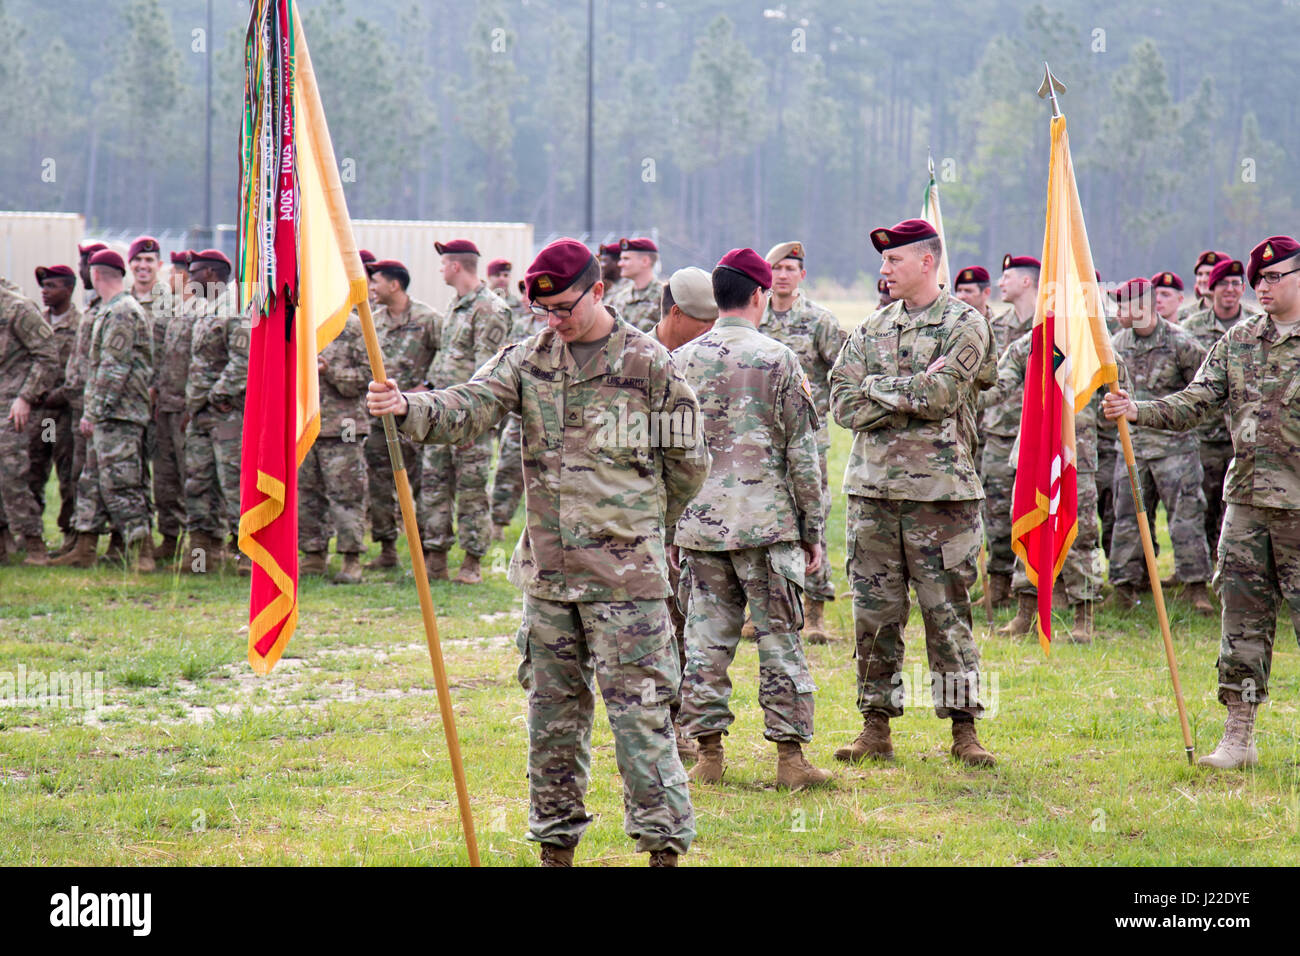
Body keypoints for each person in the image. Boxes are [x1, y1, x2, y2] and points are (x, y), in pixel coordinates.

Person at [366, 238, 708, 866]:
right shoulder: (528, 359)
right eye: (544, 311)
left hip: (626, 589)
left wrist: (639, 533)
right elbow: (469, 407)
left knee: (641, 723)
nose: (555, 321)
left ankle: (662, 850)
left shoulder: (649, 364)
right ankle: (555, 850)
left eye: (566, 308)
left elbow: (688, 464)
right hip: (550, 581)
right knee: (552, 723)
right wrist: (409, 405)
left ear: (598, 291)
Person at [1103, 235, 1300, 770]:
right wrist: (1138, 410)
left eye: (1274, 277)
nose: (1263, 286)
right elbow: (1199, 399)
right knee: (1241, 621)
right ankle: (1239, 736)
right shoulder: (1240, 340)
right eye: (1259, 279)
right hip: (1247, 503)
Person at [829, 219, 995, 767]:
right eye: (883, 262)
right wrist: (903, 388)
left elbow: (944, 394)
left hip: (941, 499)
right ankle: (875, 727)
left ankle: (964, 732)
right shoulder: (872, 327)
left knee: (947, 616)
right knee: (875, 617)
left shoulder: (965, 323)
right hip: (873, 495)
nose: (883, 271)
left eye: (893, 261)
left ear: (927, 262)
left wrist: (877, 387)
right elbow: (843, 404)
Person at [674, 248, 831, 790]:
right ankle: (790, 761)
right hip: (767, 527)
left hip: (699, 526)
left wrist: (672, 523)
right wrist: (814, 530)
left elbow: (666, 454)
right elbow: (802, 454)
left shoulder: (680, 360)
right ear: (760, 296)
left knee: (705, 642)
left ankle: (708, 755)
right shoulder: (779, 359)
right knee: (780, 640)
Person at [1105, 277, 1213, 614]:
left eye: (1124, 304)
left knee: (1186, 519)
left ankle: (1195, 587)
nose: (1118, 311)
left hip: (1175, 451)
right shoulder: (1115, 344)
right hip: (1133, 451)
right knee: (1128, 517)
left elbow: (1203, 395)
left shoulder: (1182, 344)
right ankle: (1125, 587)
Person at [759, 240, 847, 642]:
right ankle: (761, 606)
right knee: (762, 520)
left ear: (802, 276)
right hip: (759, 441)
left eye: (790, 269)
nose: (781, 275)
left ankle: (815, 613)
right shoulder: (754, 318)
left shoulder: (818, 320)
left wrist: (828, 406)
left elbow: (844, 367)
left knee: (811, 516)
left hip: (808, 440)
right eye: (776, 268)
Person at [52, 250, 155, 571]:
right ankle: (85, 547)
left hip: (119, 415)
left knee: (122, 482)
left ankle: (142, 552)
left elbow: (113, 370)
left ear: (96, 276)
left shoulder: (122, 312)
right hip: (107, 414)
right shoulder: (109, 310)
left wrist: (93, 412)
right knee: (92, 481)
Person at [417, 239, 511, 584]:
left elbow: (487, 374)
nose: (440, 269)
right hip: (440, 415)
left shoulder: (491, 309)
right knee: (434, 486)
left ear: (456, 266)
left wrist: (475, 424)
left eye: (443, 264)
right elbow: (446, 362)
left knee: (471, 491)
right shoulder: (456, 306)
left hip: (468, 419)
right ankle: (436, 558)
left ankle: (472, 563)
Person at [364, 259, 441, 569]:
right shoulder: (373, 323)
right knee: (379, 483)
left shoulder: (429, 319)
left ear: (394, 285)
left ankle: (426, 554)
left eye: (376, 281)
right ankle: (386, 550)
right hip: (379, 418)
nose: (372, 288)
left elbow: (446, 355)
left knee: (422, 482)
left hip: (416, 417)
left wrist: (429, 384)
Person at [978, 255, 1040, 608]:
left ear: (1028, 282)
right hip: (1001, 435)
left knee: (1034, 512)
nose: (1000, 283)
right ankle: (999, 585)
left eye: (1008, 276)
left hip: (1036, 436)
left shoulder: (1050, 327)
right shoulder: (994, 328)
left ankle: (1041, 590)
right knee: (999, 513)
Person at [1181, 257, 1254, 559]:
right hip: (1204, 436)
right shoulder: (1189, 327)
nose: (1230, 289)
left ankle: (1232, 565)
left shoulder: (1254, 325)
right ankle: (1203, 566)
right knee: (1203, 505)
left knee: (1239, 509)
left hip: (1243, 437)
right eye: (1223, 283)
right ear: (1210, 289)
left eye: (1236, 283)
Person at [182, 249, 248, 573]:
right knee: (198, 483)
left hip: (227, 413)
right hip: (201, 413)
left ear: (210, 274)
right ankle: (202, 558)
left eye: (193, 273)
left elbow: (243, 359)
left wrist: (219, 393)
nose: (189, 279)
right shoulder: (209, 308)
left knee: (234, 484)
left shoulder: (235, 306)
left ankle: (248, 556)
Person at [299, 312, 371, 584]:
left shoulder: (350, 325)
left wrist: (330, 371)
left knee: (347, 495)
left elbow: (369, 375)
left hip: (343, 427)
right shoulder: (297, 321)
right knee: (306, 494)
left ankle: (351, 558)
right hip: (305, 425)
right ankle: (314, 553)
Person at [0, 274, 60, 565]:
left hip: (12, 407)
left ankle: (34, 542)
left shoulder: (18, 308)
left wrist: (26, 396)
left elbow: (48, 354)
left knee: (12, 474)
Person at [28, 265, 82, 555]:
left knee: (67, 475)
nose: (45, 291)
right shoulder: (37, 322)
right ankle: (30, 534)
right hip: (39, 416)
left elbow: (79, 373)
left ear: (69, 289)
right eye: (43, 285)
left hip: (63, 414)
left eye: (52, 286)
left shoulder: (80, 324)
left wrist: (57, 396)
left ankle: (70, 535)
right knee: (33, 471)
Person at [151, 251, 196, 564]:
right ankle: (170, 537)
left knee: (193, 478)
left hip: (189, 408)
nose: (171, 278)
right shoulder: (170, 310)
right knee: (165, 479)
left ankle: (201, 543)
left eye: (177, 272)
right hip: (165, 406)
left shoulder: (207, 312)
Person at [607, 237, 665, 333]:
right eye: (621, 259)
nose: (620, 264)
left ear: (645, 261)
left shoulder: (663, 297)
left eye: (626, 259)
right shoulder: (619, 297)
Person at [1176, 250, 1229, 321]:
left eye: (1209, 274)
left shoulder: (1245, 318)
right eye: (1200, 274)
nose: (1203, 280)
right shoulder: (1182, 317)